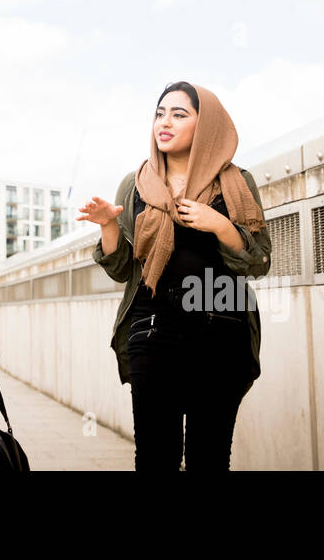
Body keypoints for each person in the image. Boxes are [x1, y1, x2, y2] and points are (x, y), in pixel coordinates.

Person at [78, 81, 271, 471]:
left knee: (209, 458)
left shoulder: (237, 184)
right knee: (154, 456)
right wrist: (108, 228)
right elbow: (121, 271)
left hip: (223, 330)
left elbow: (259, 261)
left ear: (207, 125)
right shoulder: (135, 185)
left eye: (179, 114)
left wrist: (220, 225)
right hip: (153, 330)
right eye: (160, 113)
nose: (164, 123)